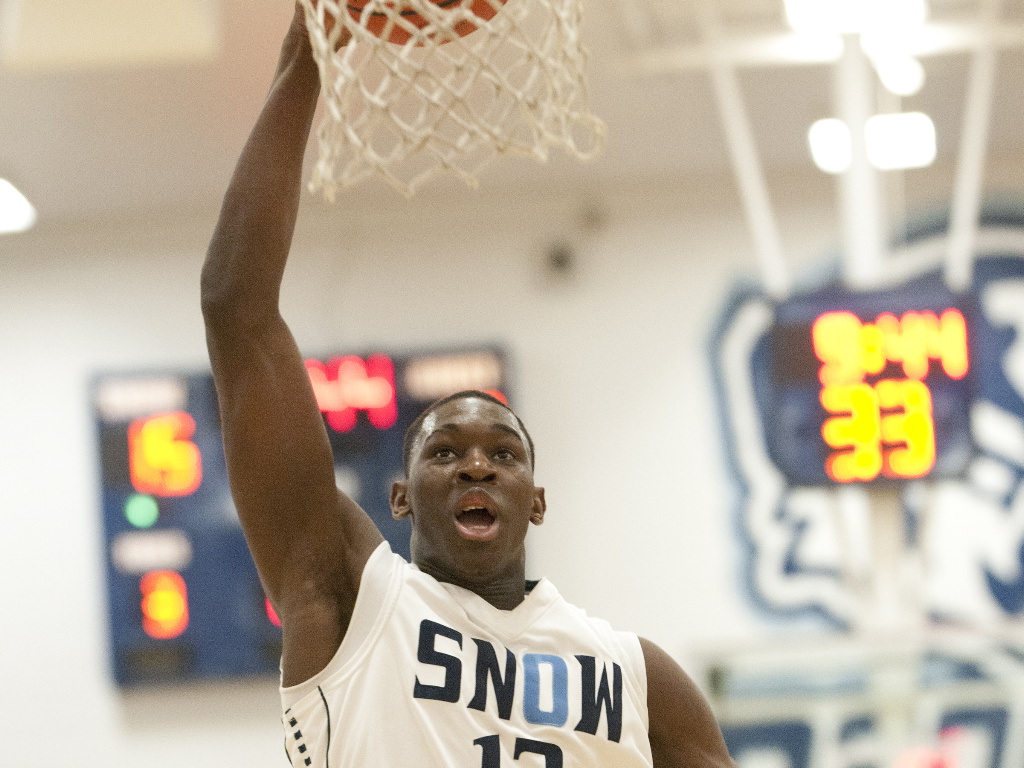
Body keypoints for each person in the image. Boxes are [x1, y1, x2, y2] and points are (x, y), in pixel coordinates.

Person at [201, 6, 736, 767]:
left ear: (538, 500)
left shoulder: (637, 675)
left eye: (504, 454)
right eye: (445, 452)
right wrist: (305, 55)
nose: (476, 465)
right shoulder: (352, 599)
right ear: (402, 497)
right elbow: (235, 307)